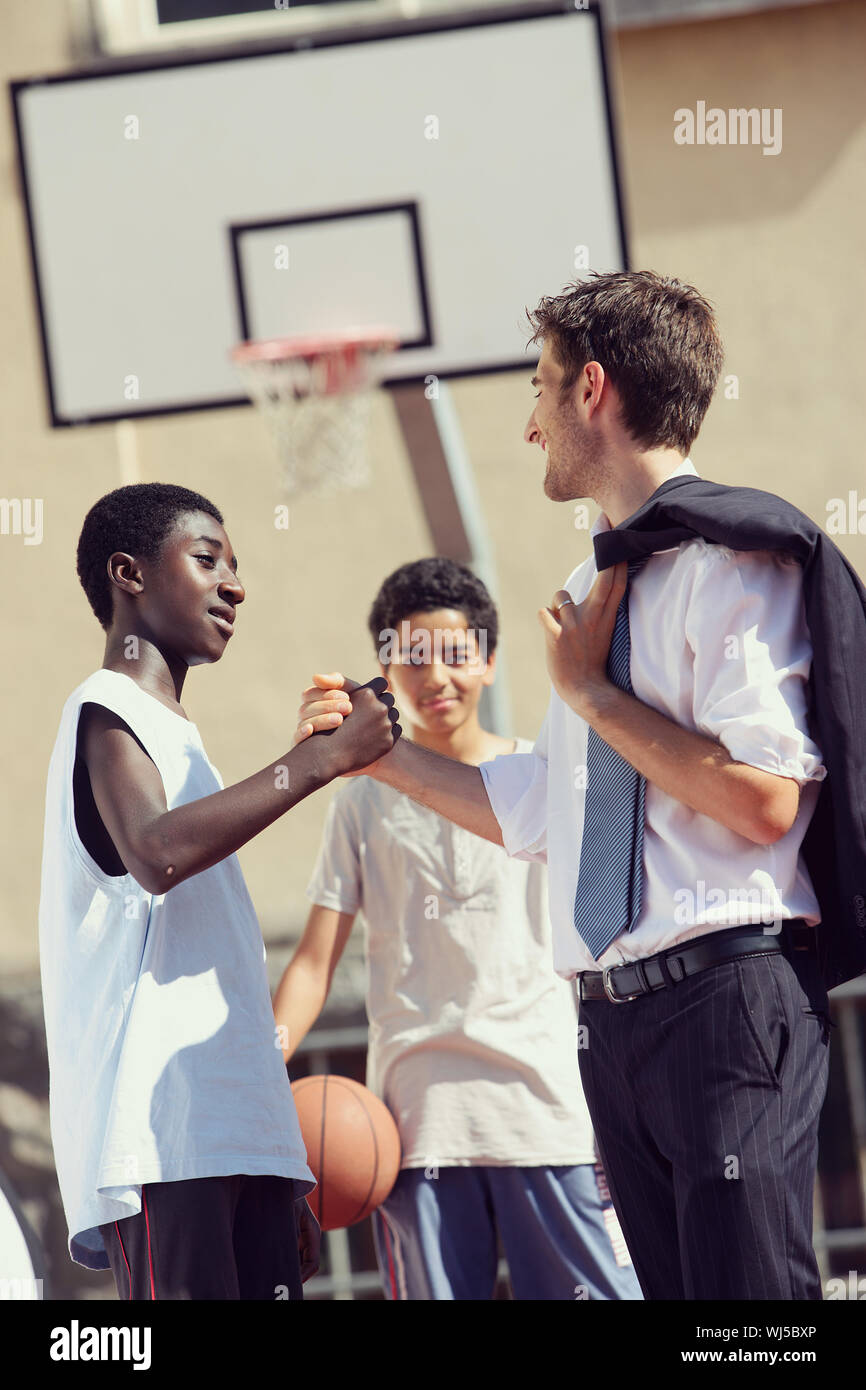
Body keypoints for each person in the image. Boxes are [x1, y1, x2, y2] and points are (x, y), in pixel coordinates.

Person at [294, 271, 835, 1300]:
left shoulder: (733, 561)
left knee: (752, 1320)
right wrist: (373, 751)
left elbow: (764, 800)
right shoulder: (591, 583)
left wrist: (588, 692)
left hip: (724, 1000)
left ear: (591, 389)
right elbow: (546, 807)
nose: (528, 425)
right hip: (613, 1022)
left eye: (538, 389)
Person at [38, 482, 400, 1300]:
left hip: (237, 1139)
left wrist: (273, 1149)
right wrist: (318, 762)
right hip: (163, 1143)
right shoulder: (103, 710)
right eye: (208, 560)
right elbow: (156, 853)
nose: (235, 584)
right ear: (127, 574)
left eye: (237, 566)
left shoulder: (185, 743)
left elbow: (220, 978)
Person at [274, 557, 642, 1301]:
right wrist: (260, 1063)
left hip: (547, 1108)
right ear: (385, 667)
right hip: (417, 1126)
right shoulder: (361, 799)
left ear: (490, 661)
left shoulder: (536, 776)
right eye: (411, 657)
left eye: (454, 654)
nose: (434, 676)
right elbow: (314, 963)